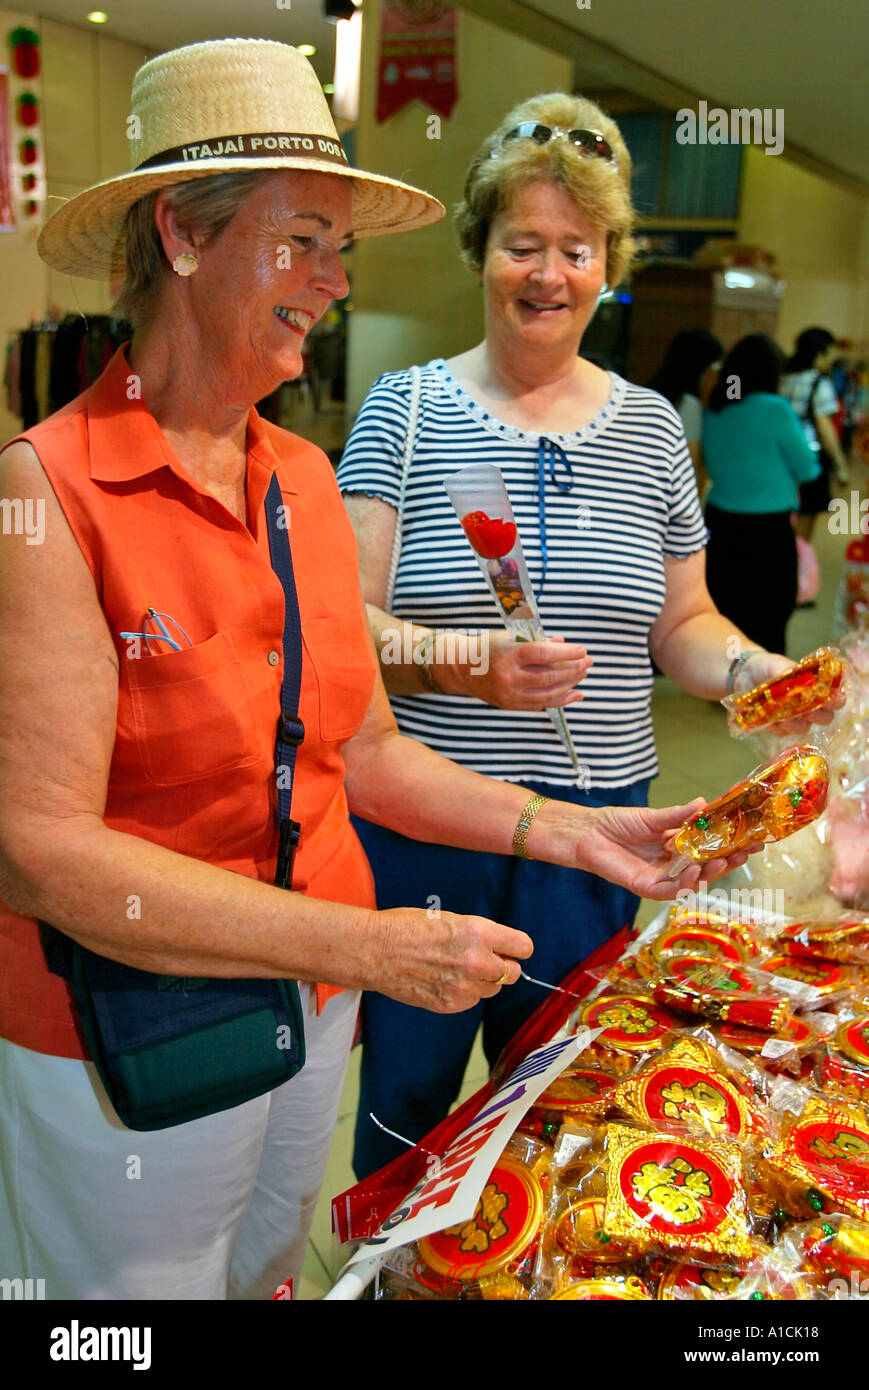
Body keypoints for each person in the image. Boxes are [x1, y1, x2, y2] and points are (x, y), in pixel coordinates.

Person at [0, 38, 748, 1304]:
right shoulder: (47, 489)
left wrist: (575, 833)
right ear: (181, 233)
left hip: (314, 1005)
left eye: (340, 247)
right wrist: (367, 944)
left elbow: (368, 748)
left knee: (268, 1273)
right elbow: (39, 851)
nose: (337, 281)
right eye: (304, 241)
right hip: (129, 1028)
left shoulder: (295, 473)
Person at [337, 94, 811, 1180]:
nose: (546, 274)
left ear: (606, 264)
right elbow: (345, 627)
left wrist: (755, 672)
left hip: (603, 837)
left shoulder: (647, 424)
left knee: (567, 1113)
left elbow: (681, 622)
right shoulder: (404, 412)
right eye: (520, 246)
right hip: (429, 827)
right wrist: (468, 664)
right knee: (406, 1110)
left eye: (573, 248)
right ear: (479, 252)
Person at [702, 334, 820, 654]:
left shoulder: (714, 408)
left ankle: (724, 682)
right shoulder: (776, 409)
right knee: (769, 612)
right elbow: (806, 468)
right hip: (768, 529)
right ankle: (765, 690)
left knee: (727, 607)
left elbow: (711, 465)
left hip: (721, 524)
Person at [781, 327, 850, 540]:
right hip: (810, 458)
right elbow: (825, 429)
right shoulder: (819, 382)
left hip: (782, 456)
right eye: (828, 353)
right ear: (819, 354)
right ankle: (799, 566)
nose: (830, 360)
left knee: (783, 512)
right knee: (805, 521)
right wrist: (841, 465)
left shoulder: (785, 378)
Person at [647, 328, 722, 493]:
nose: (716, 373)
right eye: (715, 365)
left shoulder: (651, 395)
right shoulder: (689, 406)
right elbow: (691, 466)